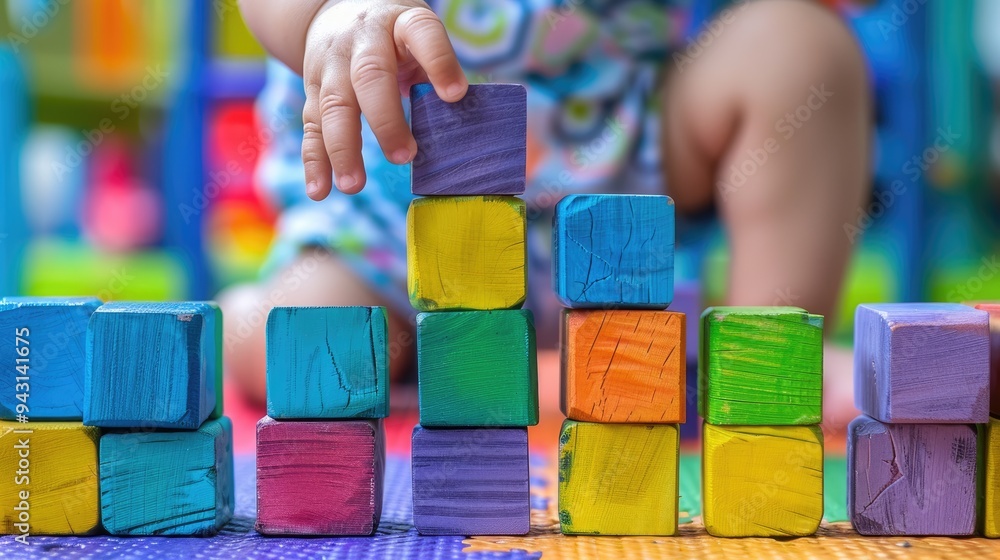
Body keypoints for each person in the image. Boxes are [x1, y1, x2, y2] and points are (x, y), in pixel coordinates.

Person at [227, 0, 870, 425]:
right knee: (303, 352)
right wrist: (329, 14)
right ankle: (246, 316)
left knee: (799, 48)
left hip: (621, 157)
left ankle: (767, 349)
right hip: (395, 216)